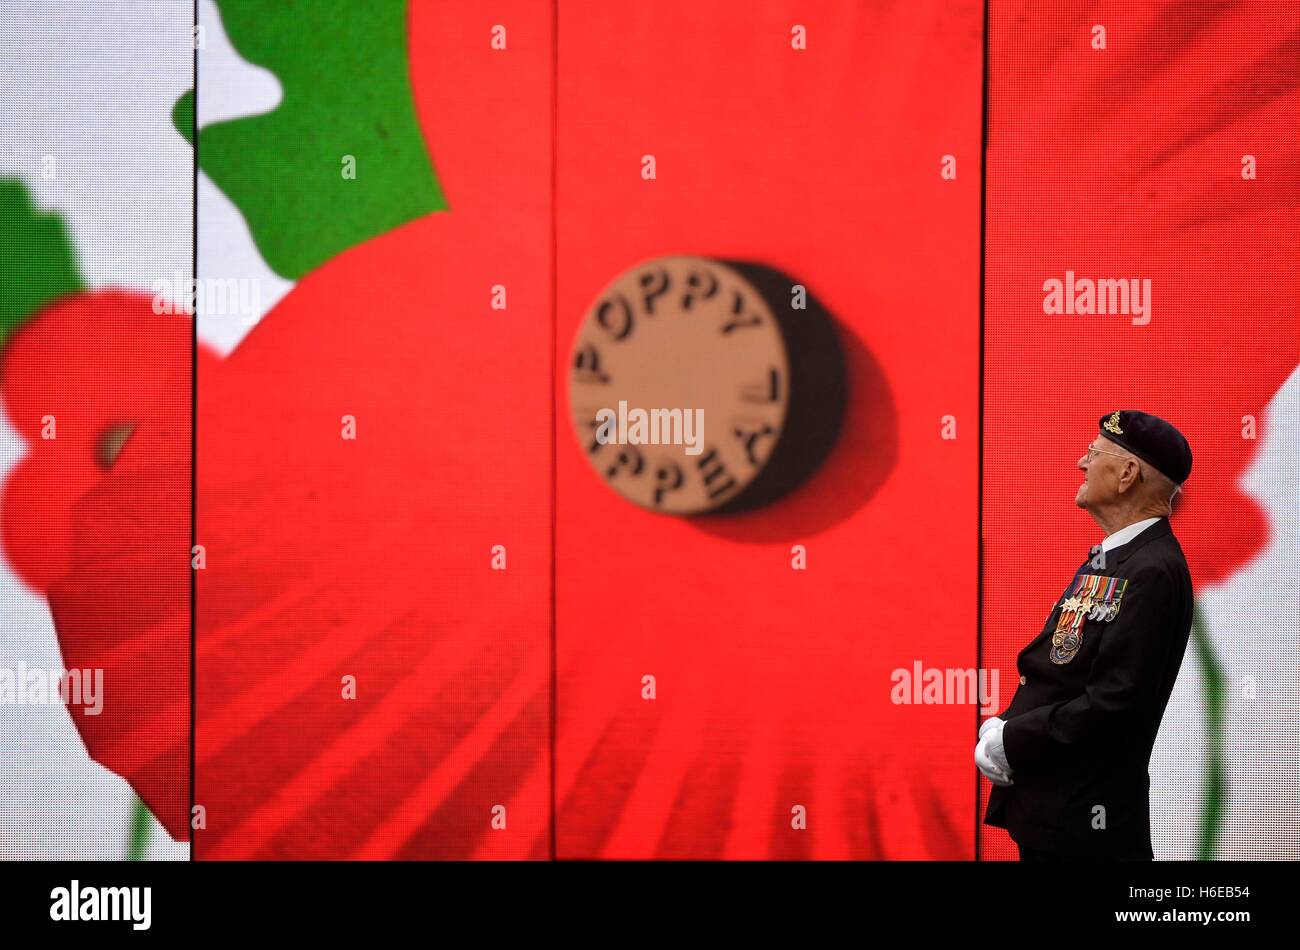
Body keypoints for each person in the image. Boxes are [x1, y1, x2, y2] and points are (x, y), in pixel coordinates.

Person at [978, 410, 1195, 860]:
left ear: (1127, 474)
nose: (1081, 463)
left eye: (1094, 454)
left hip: (1089, 831)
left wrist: (1013, 740)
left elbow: (1116, 702)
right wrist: (1008, 724)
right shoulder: (1119, 558)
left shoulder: (1153, 569)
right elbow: (1064, 673)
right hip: (1058, 816)